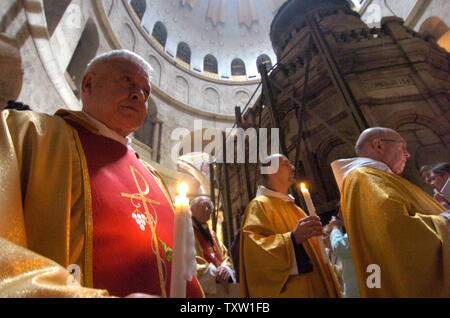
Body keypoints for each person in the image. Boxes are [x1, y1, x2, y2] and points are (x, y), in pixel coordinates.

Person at [0, 50, 203, 298]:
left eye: (145, 92)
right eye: (127, 81)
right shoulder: (29, 134)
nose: (138, 95)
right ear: (88, 84)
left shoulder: (154, 179)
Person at [331, 127, 450, 297]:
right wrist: (446, 219)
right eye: (402, 147)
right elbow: (397, 234)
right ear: (378, 145)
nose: (407, 154)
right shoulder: (364, 178)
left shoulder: (378, 177)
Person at [239, 154, 341, 298]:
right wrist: (292, 239)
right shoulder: (259, 205)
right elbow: (256, 254)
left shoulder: (295, 208)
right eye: (286, 164)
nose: (293, 168)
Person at [190, 196, 236, 297]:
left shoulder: (212, 234)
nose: (207, 210)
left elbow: (225, 255)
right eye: (203, 206)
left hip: (220, 285)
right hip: (203, 288)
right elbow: (187, 259)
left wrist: (225, 269)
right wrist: (214, 272)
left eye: (209, 207)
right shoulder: (187, 231)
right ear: (192, 209)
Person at [323, 211, 359, 298]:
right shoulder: (326, 253)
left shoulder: (346, 242)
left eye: (325, 235)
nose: (322, 238)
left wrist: (334, 227)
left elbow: (339, 247)